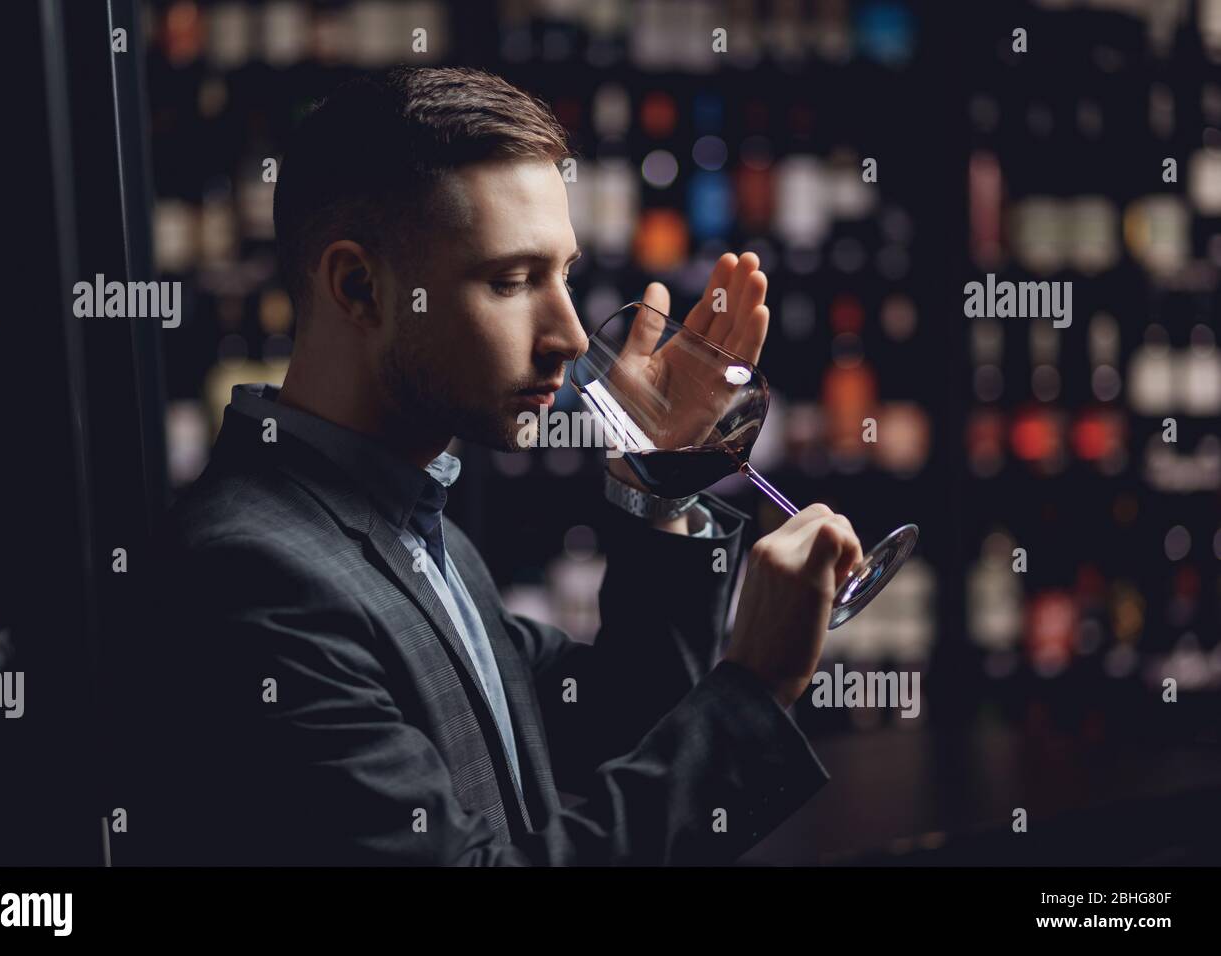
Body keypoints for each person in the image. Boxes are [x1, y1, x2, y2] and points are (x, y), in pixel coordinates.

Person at [142, 66, 862, 865]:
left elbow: (609, 729)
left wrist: (656, 486)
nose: (570, 335)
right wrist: (756, 689)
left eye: (564, 275)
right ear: (357, 285)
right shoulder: (255, 575)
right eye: (511, 281)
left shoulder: (408, 520)